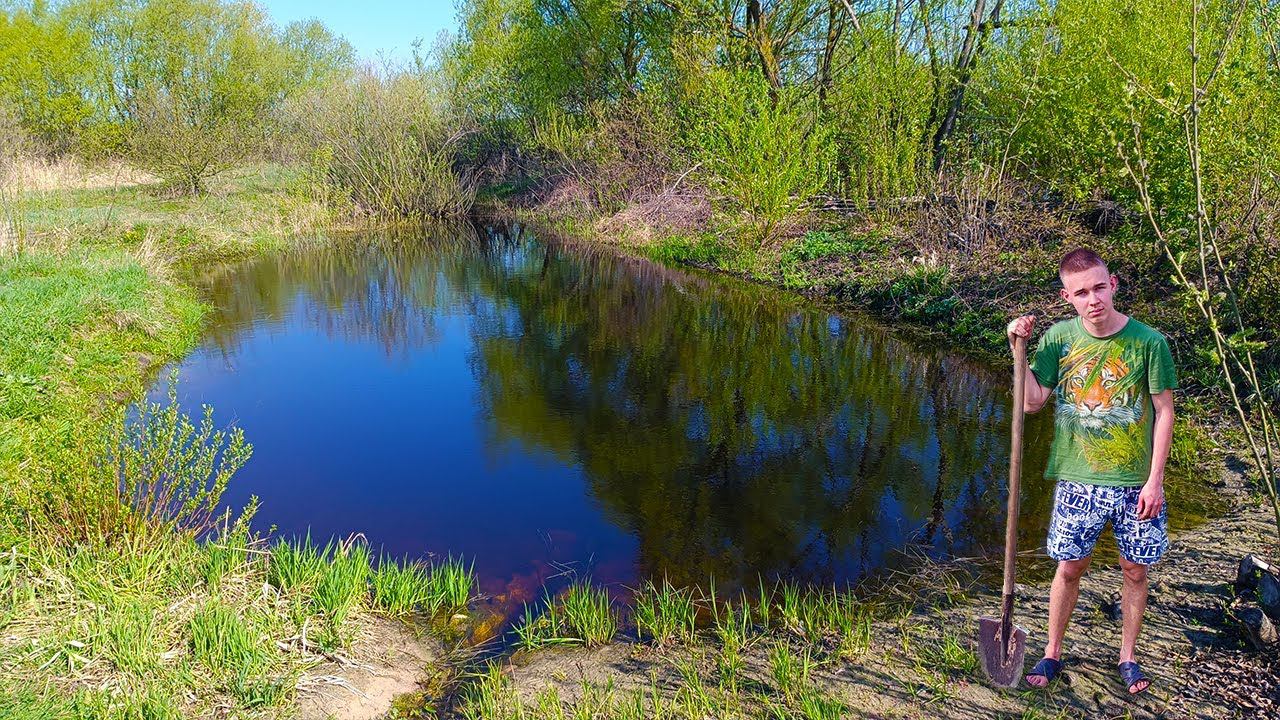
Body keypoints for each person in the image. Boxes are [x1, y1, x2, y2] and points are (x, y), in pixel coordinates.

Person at [1006, 247, 1177, 695]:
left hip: (1134, 482)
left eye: (1099, 287)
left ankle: (1128, 657)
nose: (1093, 299)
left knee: (1135, 571)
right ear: (1068, 296)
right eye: (1081, 292)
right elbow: (1031, 401)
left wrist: (1155, 480)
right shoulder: (1059, 340)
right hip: (1076, 479)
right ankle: (1052, 651)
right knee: (1068, 568)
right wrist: (1017, 348)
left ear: (1113, 284)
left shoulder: (1149, 342)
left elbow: (1164, 412)